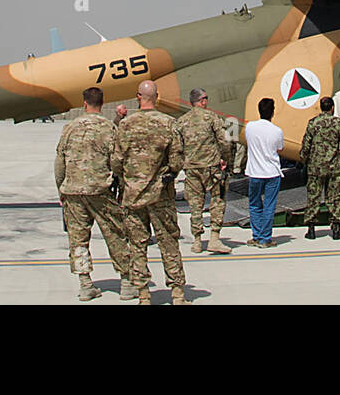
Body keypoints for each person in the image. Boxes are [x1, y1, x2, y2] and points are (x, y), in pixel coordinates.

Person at [56, 87, 138, 301]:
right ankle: (127, 283)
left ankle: (85, 284)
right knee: (116, 235)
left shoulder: (69, 128)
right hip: (100, 190)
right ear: (102, 104)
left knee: (78, 239)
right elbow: (118, 161)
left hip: (73, 192)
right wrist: (120, 187)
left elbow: (59, 163)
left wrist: (61, 190)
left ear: (85, 104)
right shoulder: (109, 128)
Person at [112, 80, 188, 305]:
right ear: (157, 96)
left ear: (138, 97)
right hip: (161, 195)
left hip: (133, 195)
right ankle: (177, 293)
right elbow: (177, 160)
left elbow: (116, 160)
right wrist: (167, 173)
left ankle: (143, 294)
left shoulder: (126, 125)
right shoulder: (168, 123)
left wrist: (129, 177)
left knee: (137, 245)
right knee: (169, 242)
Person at [175, 88, 233, 254]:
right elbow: (224, 141)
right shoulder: (211, 117)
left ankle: (197, 241)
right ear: (202, 101)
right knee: (217, 199)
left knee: (195, 204)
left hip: (192, 168)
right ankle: (214, 238)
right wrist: (225, 159)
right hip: (211, 166)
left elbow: (177, 146)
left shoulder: (182, 121)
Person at [298, 96, 340, 240]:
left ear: (321, 107)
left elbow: (306, 144)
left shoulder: (313, 123)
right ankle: (336, 229)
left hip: (316, 167)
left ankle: (311, 229)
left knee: (314, 197)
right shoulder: (338, 123)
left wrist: (303, 159)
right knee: (335, 198)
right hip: (333, 167)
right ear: (332, 108)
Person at [244, 97, 285, 247]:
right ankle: (265, 238)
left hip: (254, 172)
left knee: (254, 205)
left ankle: (256, 235)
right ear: (272, 112)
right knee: (269, 205)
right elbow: (280, 148)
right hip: (272, 172)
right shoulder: (277, 131)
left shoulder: (250, 127)